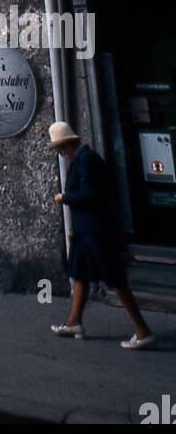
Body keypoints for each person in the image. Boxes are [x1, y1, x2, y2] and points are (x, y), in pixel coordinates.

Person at [48, 121, 155, 349]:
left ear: (67, 145)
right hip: (86, 231)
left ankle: (142, 330)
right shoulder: (82, 159)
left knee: (115, 278)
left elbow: (89, 194)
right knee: (80, 274)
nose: (60, 154)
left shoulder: (86, 160)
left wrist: (64, 198)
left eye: (59, 148)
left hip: (96, 231)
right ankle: (74, 322)